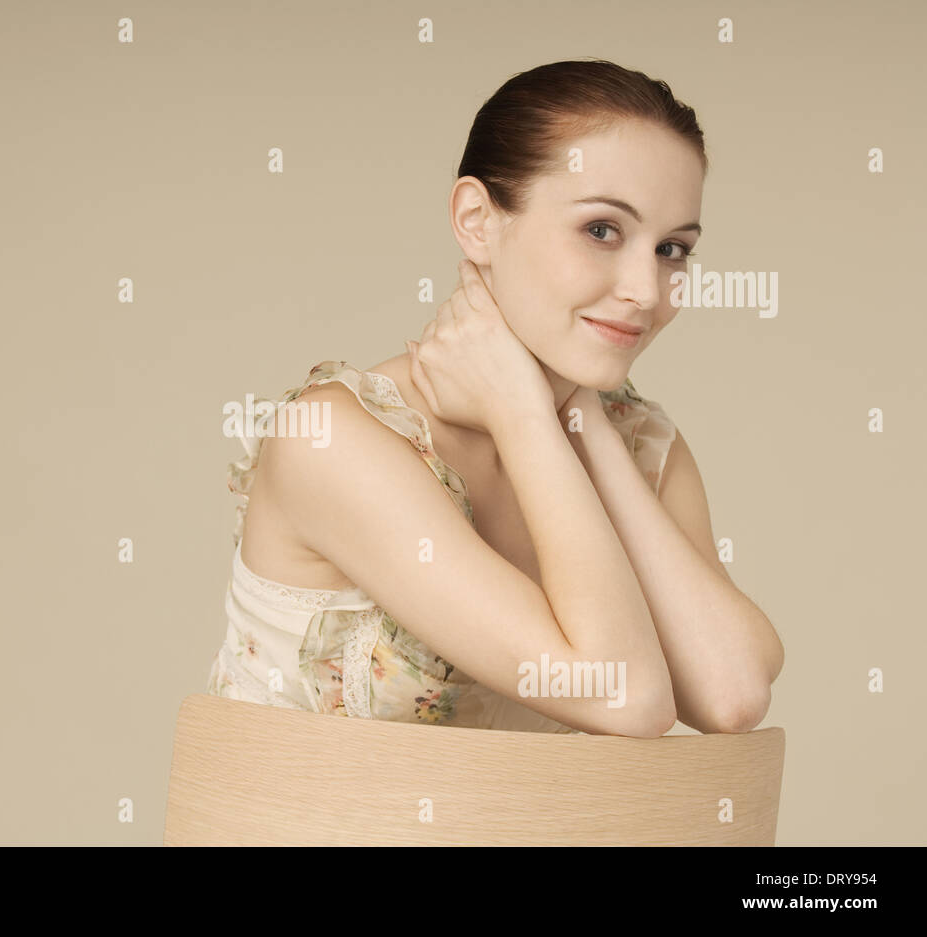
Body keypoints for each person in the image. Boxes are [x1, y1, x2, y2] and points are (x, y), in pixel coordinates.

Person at [206, 59, 784, 737]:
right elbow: (625, 696)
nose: (646, 291)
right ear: (478, 220)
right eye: (602, 229)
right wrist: (522, 413)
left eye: (672, 249)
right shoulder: (334, 437)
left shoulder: (637, 443)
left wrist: (576, 422)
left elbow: (734, 691)